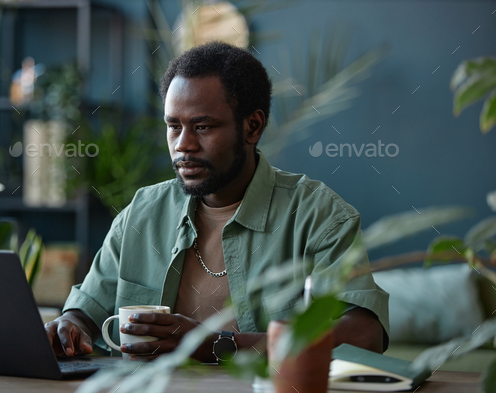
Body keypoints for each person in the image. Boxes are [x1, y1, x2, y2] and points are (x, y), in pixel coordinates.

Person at [45, 41, 389, 362]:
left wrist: (217, 343)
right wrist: (70, 326)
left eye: (203, 127)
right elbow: (86, 309)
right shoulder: (142, 212)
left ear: (252, 127)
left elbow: (363, 335)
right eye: (173, 126)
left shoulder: (317, 215)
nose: (184, 145)